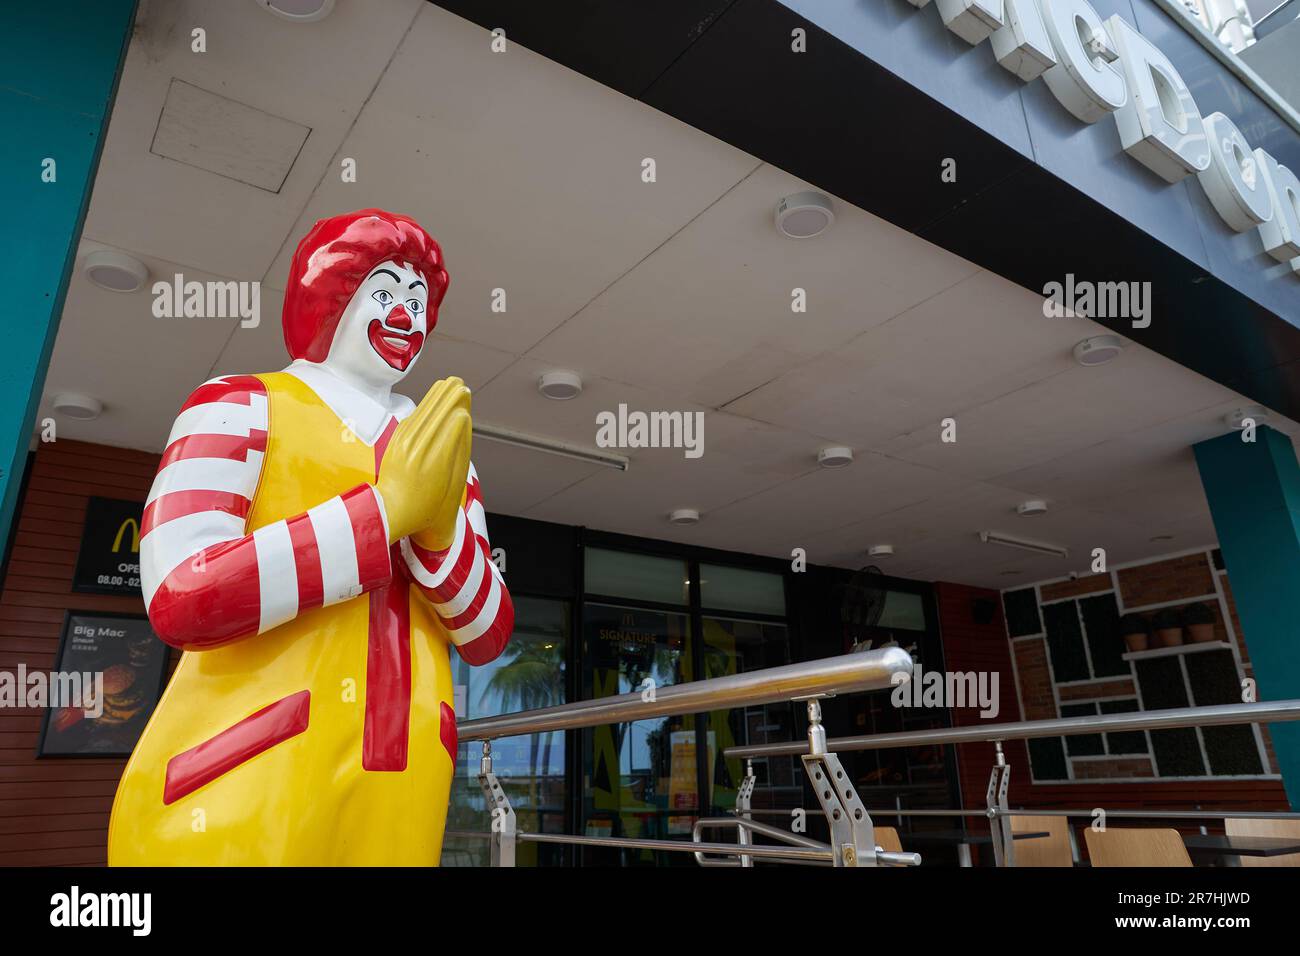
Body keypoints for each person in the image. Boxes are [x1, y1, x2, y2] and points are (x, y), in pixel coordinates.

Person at [108, 209, 513, 865]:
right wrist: (384, 514)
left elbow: (487, 633)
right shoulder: (239, 405)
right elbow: (180, 590)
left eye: (418, 301)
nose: (406, 317)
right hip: (247, 771)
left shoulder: (446, 455)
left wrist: (437, 533)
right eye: (384, 292)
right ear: (329, 295)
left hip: (408, 785)